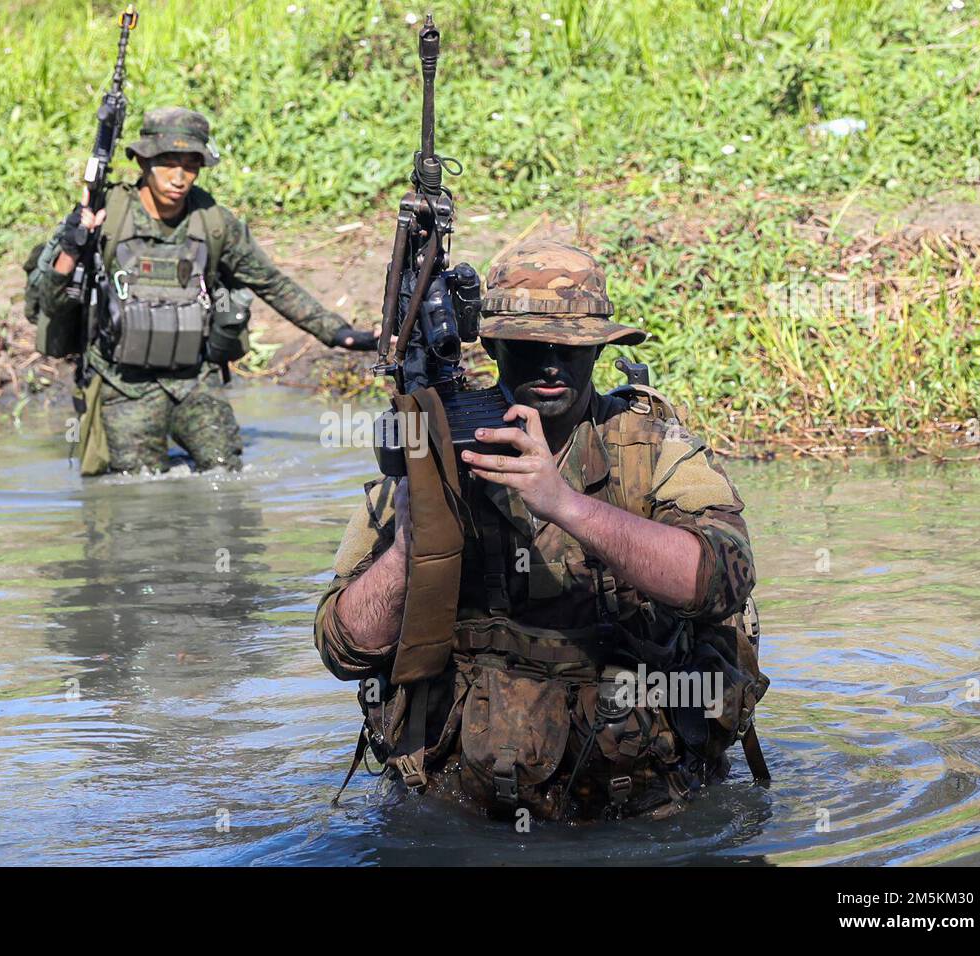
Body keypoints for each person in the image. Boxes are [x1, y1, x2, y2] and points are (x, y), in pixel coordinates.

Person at [313, 239, 769, 820]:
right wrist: (411, 538)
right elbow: (344, 648)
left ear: (600, 350)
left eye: (570, 348)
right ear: (495, 345)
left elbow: (723, 580)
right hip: (464, 804)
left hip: (640, 798)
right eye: (531, 348)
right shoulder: (441, 451)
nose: (552, 365)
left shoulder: (652, 451)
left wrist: (567, 505)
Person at [25, 106, 375, 474]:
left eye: (190, 165)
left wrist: (337, 333)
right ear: (144, 162)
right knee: (133, 491)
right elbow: (48, 301)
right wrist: (73, 245)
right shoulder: (107, 215)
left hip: (194, 381)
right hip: (122, 385)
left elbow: (271, 283)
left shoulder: (212, 221)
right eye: (168, 163)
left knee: (225, 472)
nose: (179, 177)